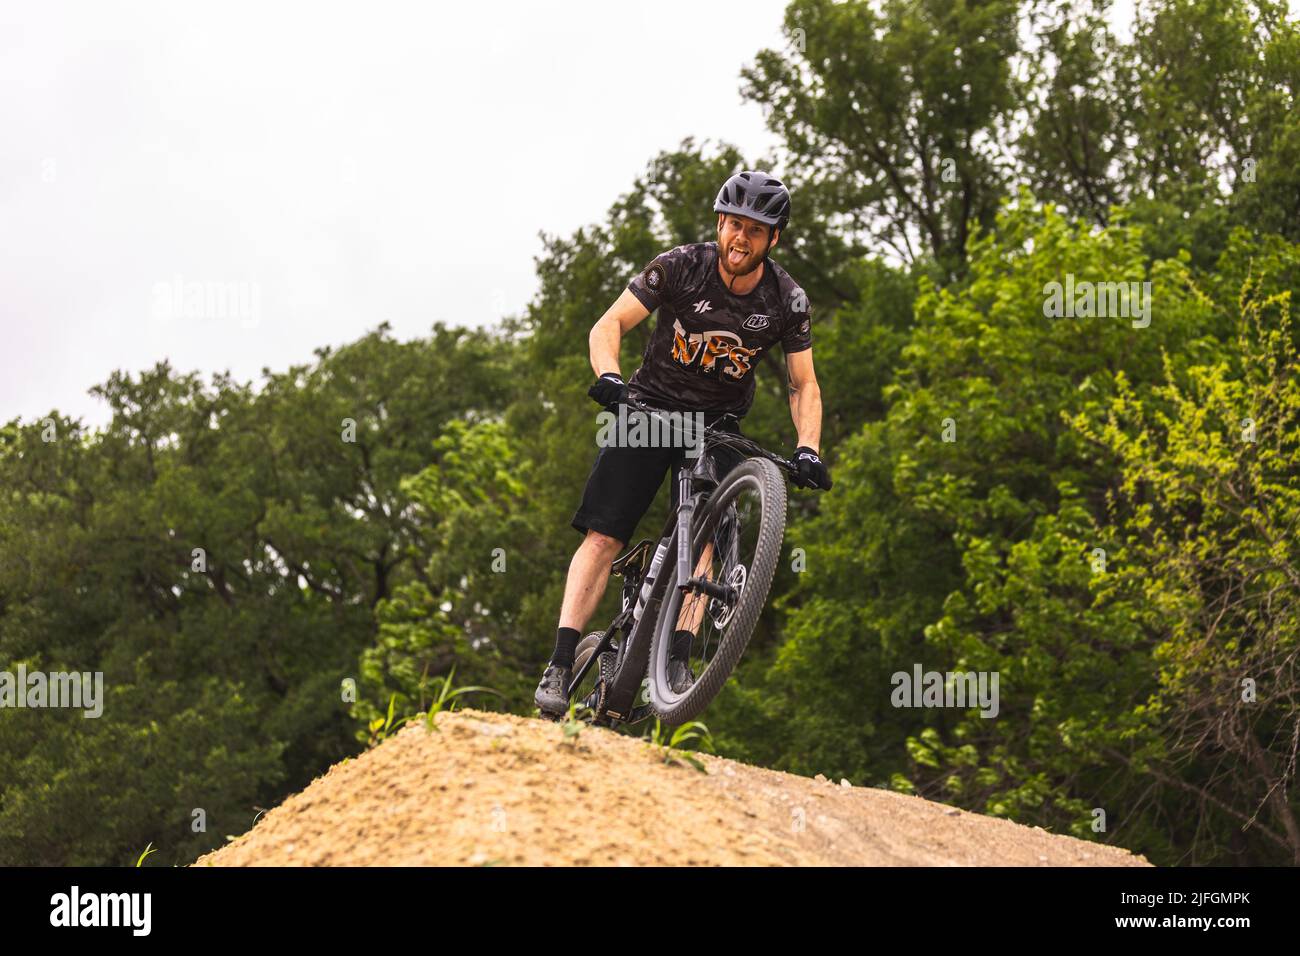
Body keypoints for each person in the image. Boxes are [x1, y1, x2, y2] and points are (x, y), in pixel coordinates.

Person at [533, 170, 833, 715]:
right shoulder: (680, 266)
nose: (740, 239)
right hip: (647, 408)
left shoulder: (786, 299)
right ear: (720, 222)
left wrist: (808, 447)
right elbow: (609, 325)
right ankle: (558, 663)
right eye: (734, 225)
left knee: (710, 541)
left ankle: (677, 657)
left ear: (774, 239)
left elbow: (803, 383)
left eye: (755, 231)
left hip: (715, 425)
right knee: (604, 537)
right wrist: (610, 379)